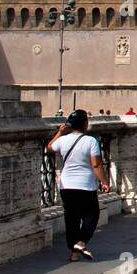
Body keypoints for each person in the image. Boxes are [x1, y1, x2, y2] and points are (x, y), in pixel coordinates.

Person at [47, 110, 110, 261]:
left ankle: (74, 253)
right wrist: (104, 181)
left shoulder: (63, 140)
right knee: (91, 216)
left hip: (66, 185)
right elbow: (96, 164)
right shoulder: (91, 141)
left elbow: (49, 147)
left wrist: (60, 132)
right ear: (85, 124)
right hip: (85, 185)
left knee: (72, 218)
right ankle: (81, 242)